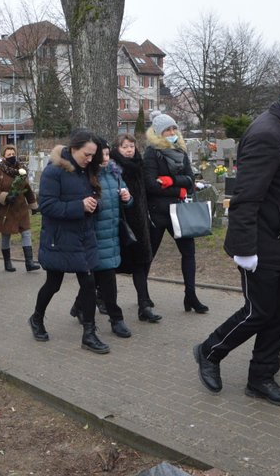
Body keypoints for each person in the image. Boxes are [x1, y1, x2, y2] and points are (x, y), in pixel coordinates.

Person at [193, 62, 280, 407]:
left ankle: (261, 378)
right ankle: (209, 351)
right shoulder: (268, 132)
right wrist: (244, 248)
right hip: (261, 242)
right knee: (259, 311)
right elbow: (247, 195)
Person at [28, 130, 110, 354]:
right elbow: (46, 207)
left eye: (93, 155)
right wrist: (79, 206)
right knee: (53, 284)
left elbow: (95, 198)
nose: (90, 159)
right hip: (60, 239)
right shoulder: (54, 172)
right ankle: (36, 318)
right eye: (87, 154)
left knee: (89, 283)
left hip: (84, 237)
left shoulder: (87, 171)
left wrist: (95, 205)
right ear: (74, 149)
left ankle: (89, 334)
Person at [144, 113, 208, 314]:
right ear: (158, 132)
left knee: (189, 253)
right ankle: (143, 297)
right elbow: (151, 185)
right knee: (149, 255)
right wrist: (178, 188)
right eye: (167, 130)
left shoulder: (180, 150)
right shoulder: (152, 153)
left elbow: (190, 179)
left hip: (179, 211)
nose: (172, 133)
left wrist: (172, 182)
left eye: (174, 129)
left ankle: (191, 295)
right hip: (158, 213)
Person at [71, 139, 133, 338]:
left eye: (108, 154)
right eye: (102, 155)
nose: (106, 158)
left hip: (112, 235)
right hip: (93, 236)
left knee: (102, 278)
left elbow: (126, 200)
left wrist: (127, 198)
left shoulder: (115, 174)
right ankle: (116, 318)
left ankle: (81, 307)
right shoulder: (87, 176)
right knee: (101, 280)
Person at [110, 134, 162, 323]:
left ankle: (144, 306)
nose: (129, 150)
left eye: (132, 146)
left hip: (140, 224)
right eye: (125, 147)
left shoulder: (139, 166)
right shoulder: (114, 168)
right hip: (120, 225)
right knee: (108, 269)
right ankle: (82, 304)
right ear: (117, 149)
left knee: (140, 264)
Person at [0, 144, 40, 273]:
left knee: (26, 232)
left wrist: (34, 206)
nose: (12, 157)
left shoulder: (20, 169)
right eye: (9, 155)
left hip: (21, 207)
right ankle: (7, 262)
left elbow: (28, 189)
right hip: (6, 208)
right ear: (3, 156)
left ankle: (29, 262)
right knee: (6, 234)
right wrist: (5, 197)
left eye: (13, 154)